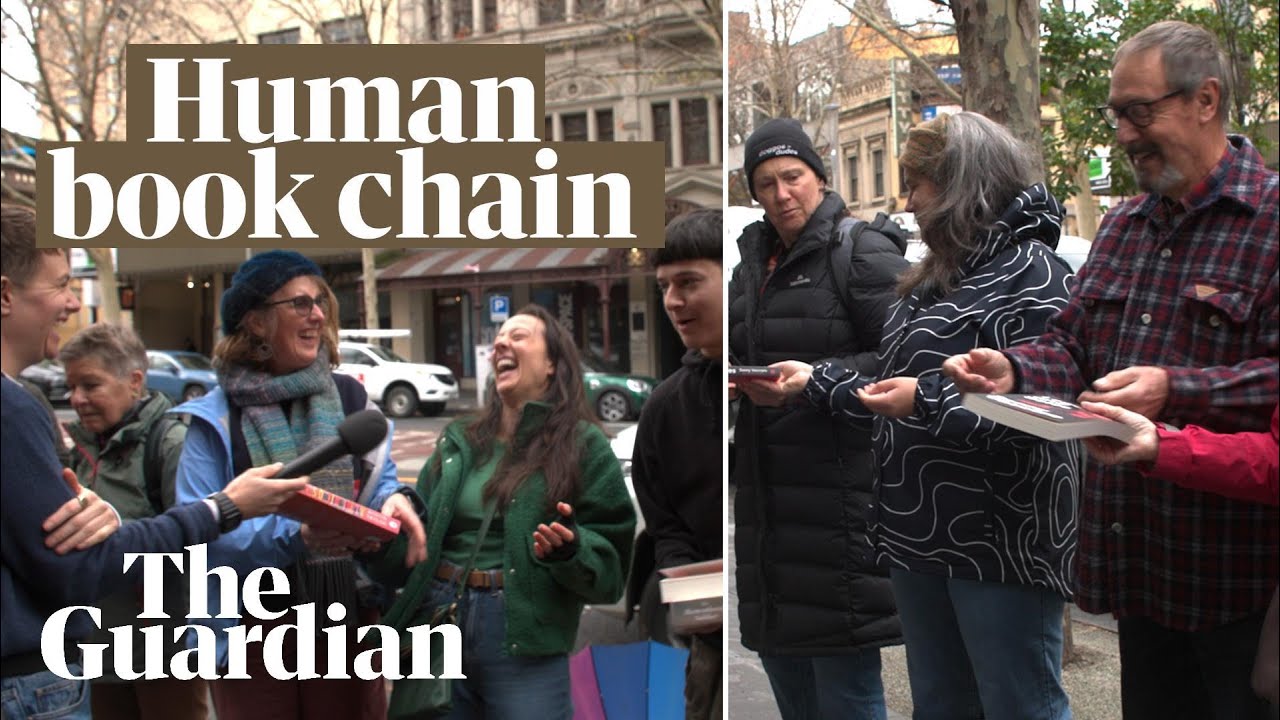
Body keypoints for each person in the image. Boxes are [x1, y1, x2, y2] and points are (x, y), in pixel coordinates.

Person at [942, 21, 1278, 719]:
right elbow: (1074, 346)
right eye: (1116, 115)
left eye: (1140, 112)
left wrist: (1175, 389)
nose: (1124, 135)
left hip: (1240, 583)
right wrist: (1013, 370)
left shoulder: (1272, 222)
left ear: (1206, 100)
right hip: (1140, 572)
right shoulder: (1125, 225)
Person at [768, 111, 1078, 720]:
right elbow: (895, 384)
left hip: (999, 545)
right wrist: (817, 382)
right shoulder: (936, 275)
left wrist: (927, 399)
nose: (908, 203)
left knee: (1020, 705)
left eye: (918, 185)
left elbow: (1045, 404)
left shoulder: (1035, 273)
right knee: (939, 706)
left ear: (962, 183)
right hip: (917, 540)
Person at [0, 204, 306, 720]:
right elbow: (75, 569)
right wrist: (223, 507)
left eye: (91, 385)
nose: (72, 302)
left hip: (149, 652)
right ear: (6, 295)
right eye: (61, 285)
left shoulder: (164, 438)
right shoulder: (13, 410)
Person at [173, 250, 427, 720]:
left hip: (345, 623)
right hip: (250, 632)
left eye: (320, 302)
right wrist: (297, 536)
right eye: (299, 303)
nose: (317, 315)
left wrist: (394, 500)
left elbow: (380, 481)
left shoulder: (352, 397)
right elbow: (200, 533)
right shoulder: (214, 419)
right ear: (255, 322)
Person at [378, 304, 636, 719]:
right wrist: (383, 523)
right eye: (499, 338)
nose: (501, 343)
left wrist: (572, 550)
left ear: (551, 364)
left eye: (518, 336)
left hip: (524, 634)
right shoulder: (459, 440)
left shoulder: (584, 445)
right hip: (439, 618)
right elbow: (414, 529)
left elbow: (612, 568)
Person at [728, 117, 905, 720]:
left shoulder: (861, 251)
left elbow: (907, 359)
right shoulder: (750, 265)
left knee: (846, 690)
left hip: (840, 512)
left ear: (820, 177)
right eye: (766, 183)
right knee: (791, 687)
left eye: (793, 177)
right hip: (768, 517)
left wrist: (817, 381)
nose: (782, 194)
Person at [59, 323, 206, 720]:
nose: (77, 399)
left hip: (165, 654)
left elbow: (200, 544)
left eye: (91, 385)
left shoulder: (171, 444)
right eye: (71, 387)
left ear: (135, 382)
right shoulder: (80, 450)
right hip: (98, 651)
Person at [632, 208, 724, 720]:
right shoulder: (665, 406)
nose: (672, 300)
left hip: (804, 629)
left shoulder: (784, 376)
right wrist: (690, 589)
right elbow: (664, 522)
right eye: (664, 286)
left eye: (688, 282)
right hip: (712, 651)